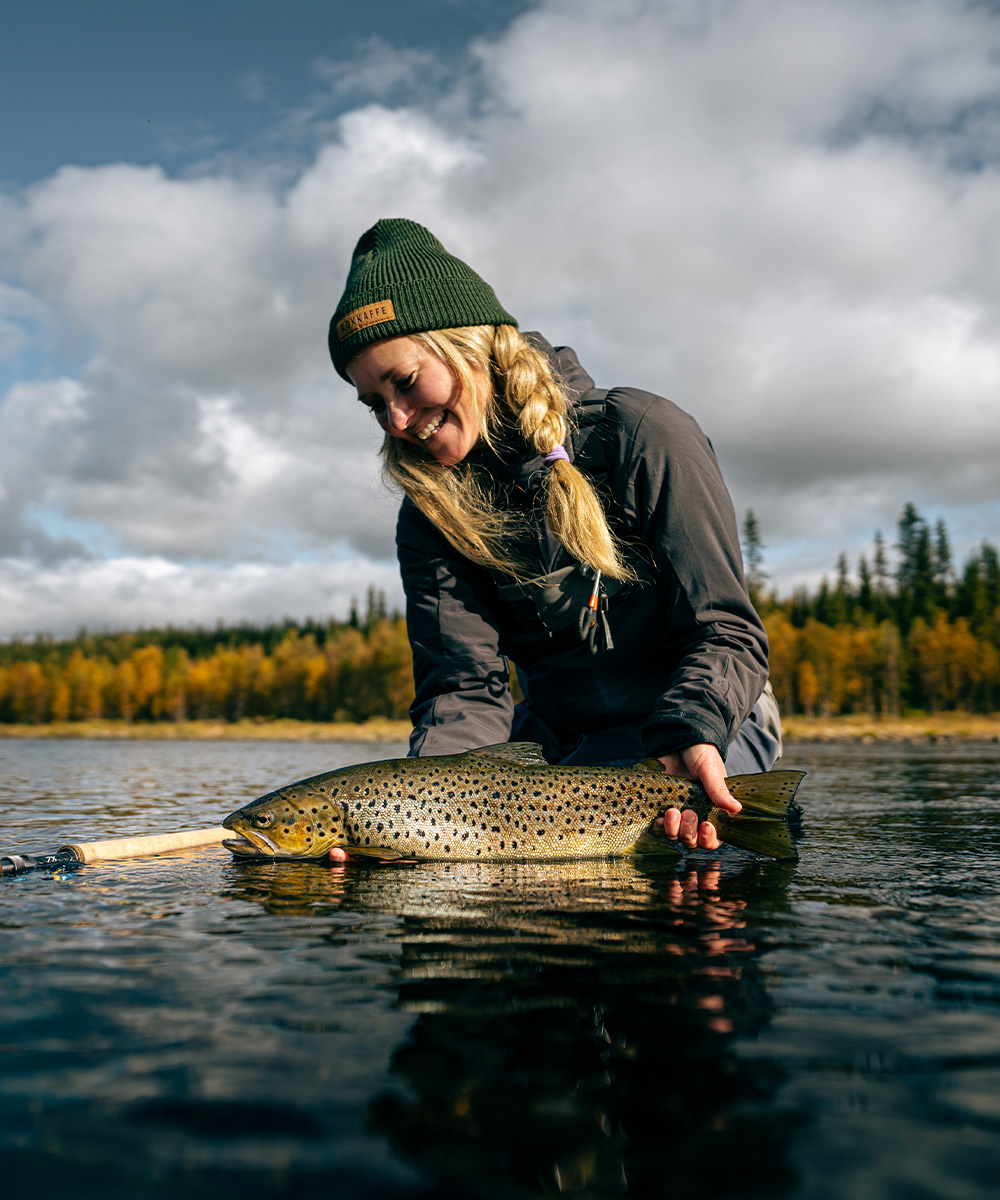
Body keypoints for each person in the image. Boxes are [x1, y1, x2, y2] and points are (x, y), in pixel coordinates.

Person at [328, 218, 781, 852]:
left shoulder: (643, 433)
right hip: (557, 744)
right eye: (374, 403)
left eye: (405, 382)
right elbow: (463, 690)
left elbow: (725, 631)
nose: (398, 420)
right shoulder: (429, 513)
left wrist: (692, 728)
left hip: (705, 720)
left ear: (473, 347)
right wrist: (410, 820)